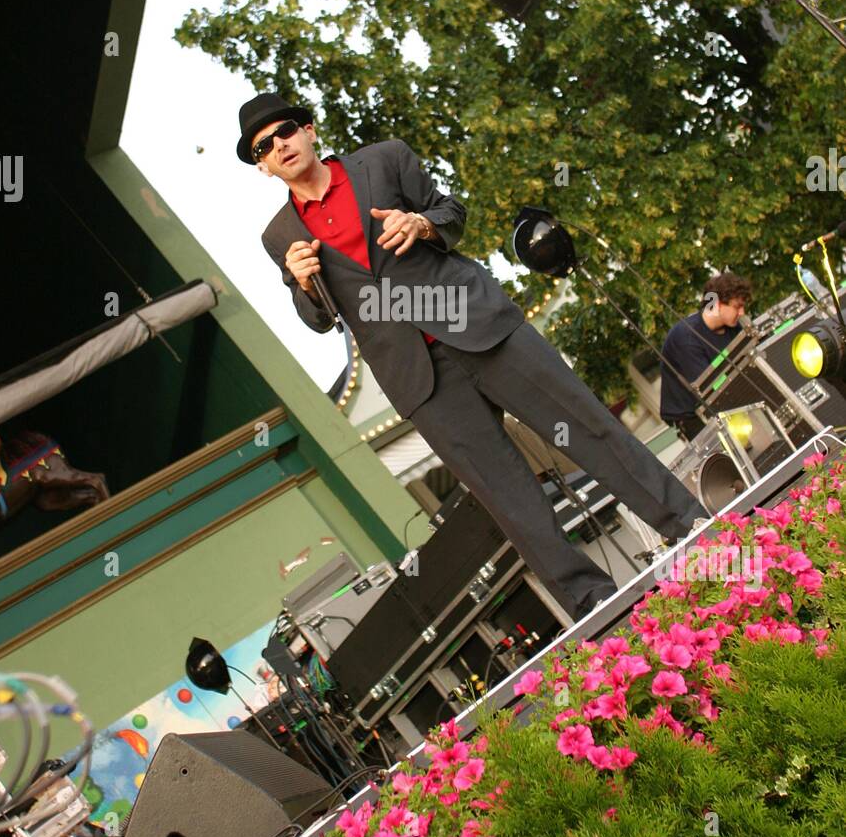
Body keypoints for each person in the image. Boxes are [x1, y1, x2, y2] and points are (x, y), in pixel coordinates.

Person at [242, 93, 705, 622]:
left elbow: (452, 212)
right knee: (508, 497)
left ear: (309, 131)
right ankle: (595, 604)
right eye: (264, 147)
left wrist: (420, 225)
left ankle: (689, 524)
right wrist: (301, 284)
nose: (278, 146)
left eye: (284, 132)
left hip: (479, 326)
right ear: (262, 166)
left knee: (587, 427)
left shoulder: (385, 158)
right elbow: (321, 318)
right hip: (419, 378)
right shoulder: (278, 236)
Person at [659, 273, 753, 441]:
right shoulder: (686, 338)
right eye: (737, 307)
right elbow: (710, 390)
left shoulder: (734, 328)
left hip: (726, 402)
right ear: (717, 304)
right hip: (693, 418)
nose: (742, 312)